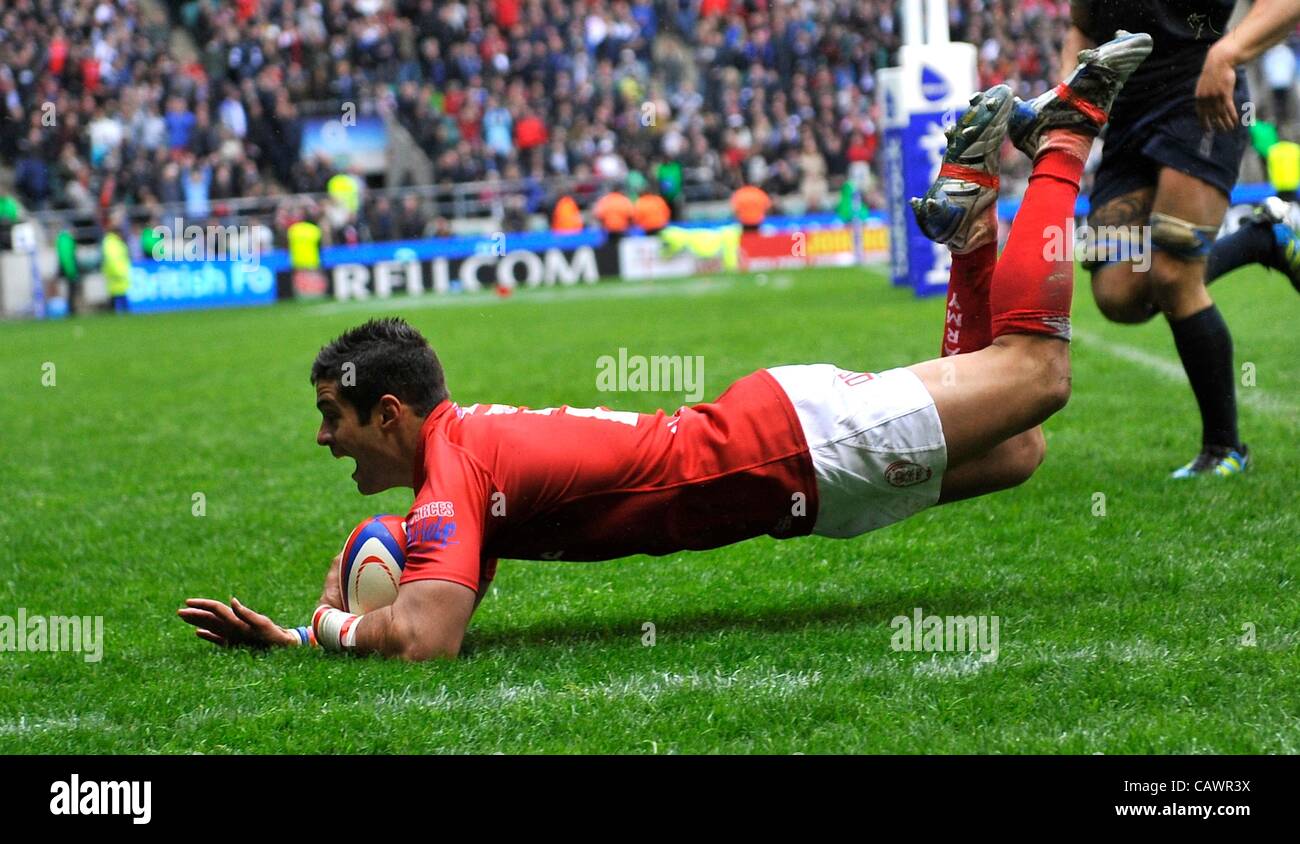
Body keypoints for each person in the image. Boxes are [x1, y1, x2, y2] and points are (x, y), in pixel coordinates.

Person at [178, 35, 1149, 661]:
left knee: (1036, 376)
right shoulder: (457, 463)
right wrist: (310, 627)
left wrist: (331, 625)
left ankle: (1062, 137)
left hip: (789, 449)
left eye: (330, 417)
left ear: (387, 412)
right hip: (785, 454)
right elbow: (443, 585)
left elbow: (428, 637)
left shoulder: (451, 474)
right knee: (1017, 451)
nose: (323, 439)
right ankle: (972, 235)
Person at [1064, 4, 1300, 478]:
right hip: (1127, 115)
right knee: (1118, 294)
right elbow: (1081, 26)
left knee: (1172, 274)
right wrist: (1068, 98)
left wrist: (1229, 50)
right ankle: (1263, 238)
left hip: (1202, 95)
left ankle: (1223, 448)